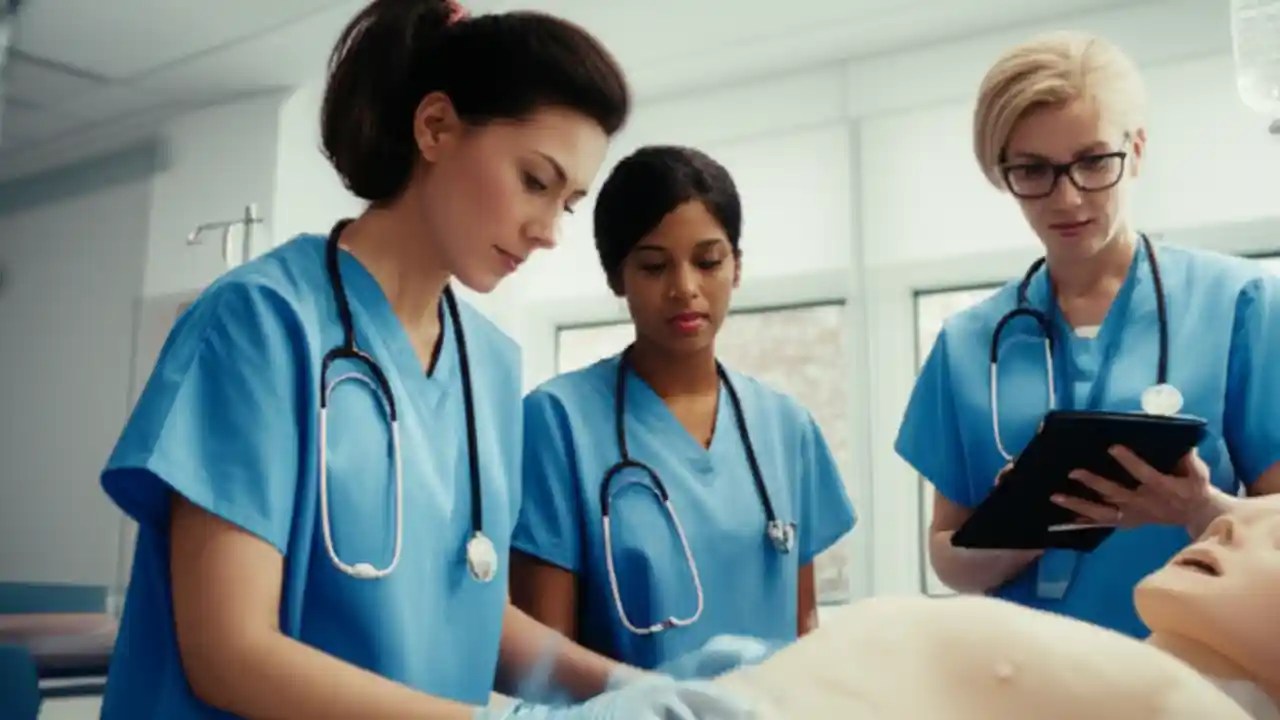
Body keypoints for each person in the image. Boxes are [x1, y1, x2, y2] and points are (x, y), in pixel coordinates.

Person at [95, 2, 756, 718]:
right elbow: (229, 653)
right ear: (435, 127)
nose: (547, 233)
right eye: (536, 180)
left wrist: (635, 688)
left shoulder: (491, 365)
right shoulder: (262, 322)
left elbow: (468, 608)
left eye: (568, 202)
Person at [895, 30, 1280, 639]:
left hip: (1194, 674)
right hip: (1029, 677)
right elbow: (947, 556)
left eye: (1094, 161)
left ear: (1138, 150)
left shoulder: (1240, 305)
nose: (1067, 197)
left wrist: (1200, 510)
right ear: (1003, 174)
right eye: (1033, 170)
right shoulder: (969, 343)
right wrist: (1020, 527)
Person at [509, 144, 858, 670]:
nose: (685, 289)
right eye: (653, 266)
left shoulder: (787, 428)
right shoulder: (557, 423)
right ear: (615, 277)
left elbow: (803, 631)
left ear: (736, 267)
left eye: (709, 261)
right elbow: (542, 662)